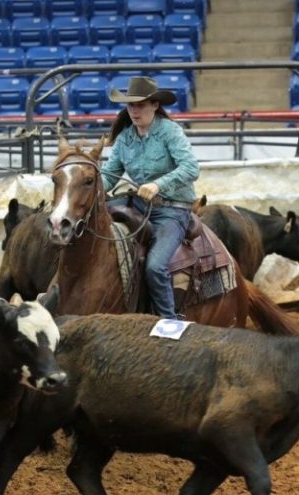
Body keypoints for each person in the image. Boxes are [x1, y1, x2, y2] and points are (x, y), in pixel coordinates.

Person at [101, 76, 199, 320]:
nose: (134, 111)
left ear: (155, 105)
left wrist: (158, 184)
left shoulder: (170, 132)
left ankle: (170, 321)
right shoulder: (125, 138)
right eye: (130, 105)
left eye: (141, 105)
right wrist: (82, 191)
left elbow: (191, 168)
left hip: (172, 210)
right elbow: (109, 176)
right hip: (138, 205)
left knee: (155, 266)